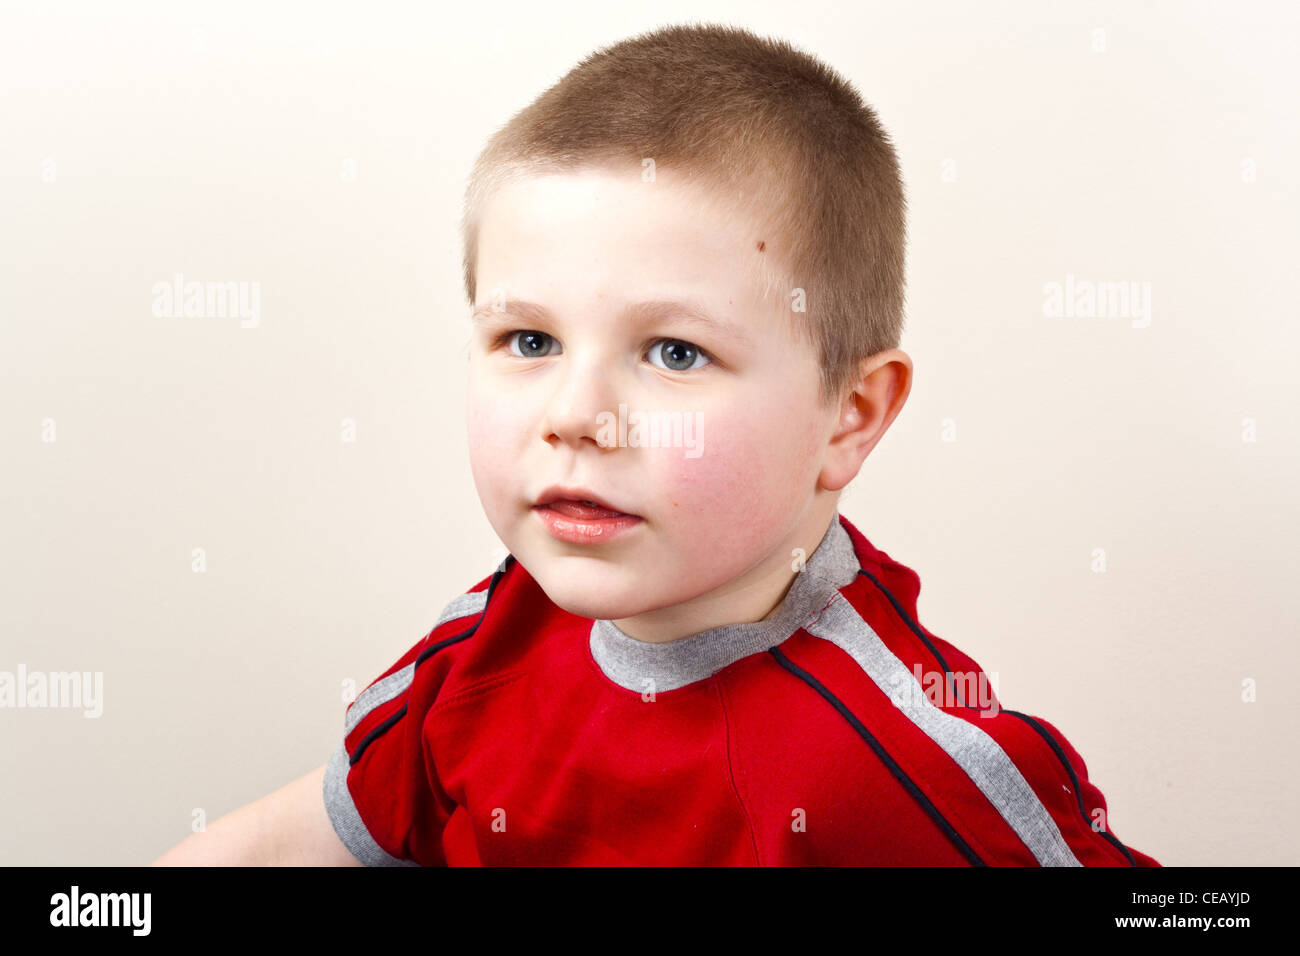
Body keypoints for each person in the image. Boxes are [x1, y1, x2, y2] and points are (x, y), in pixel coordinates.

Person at [153, 22, 1159, 866]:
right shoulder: (484, 641)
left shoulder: (892, 760)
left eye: (674, 351)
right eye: (529, 339)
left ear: (848, 415)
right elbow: (285, 841)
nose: (577, 413)